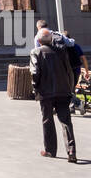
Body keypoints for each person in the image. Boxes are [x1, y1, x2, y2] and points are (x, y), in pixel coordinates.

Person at [29, 27, 78, 162]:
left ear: (38, 40)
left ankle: (50, 150)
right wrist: (70, 89)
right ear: (51, 40)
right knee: (66, 121)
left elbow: (34, 73)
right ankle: (71, 150)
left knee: (47, 120)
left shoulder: (35, 52)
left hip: (45, 93)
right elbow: (69, 72)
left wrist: (35, 88)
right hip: (63, 91)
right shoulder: (61, 52)